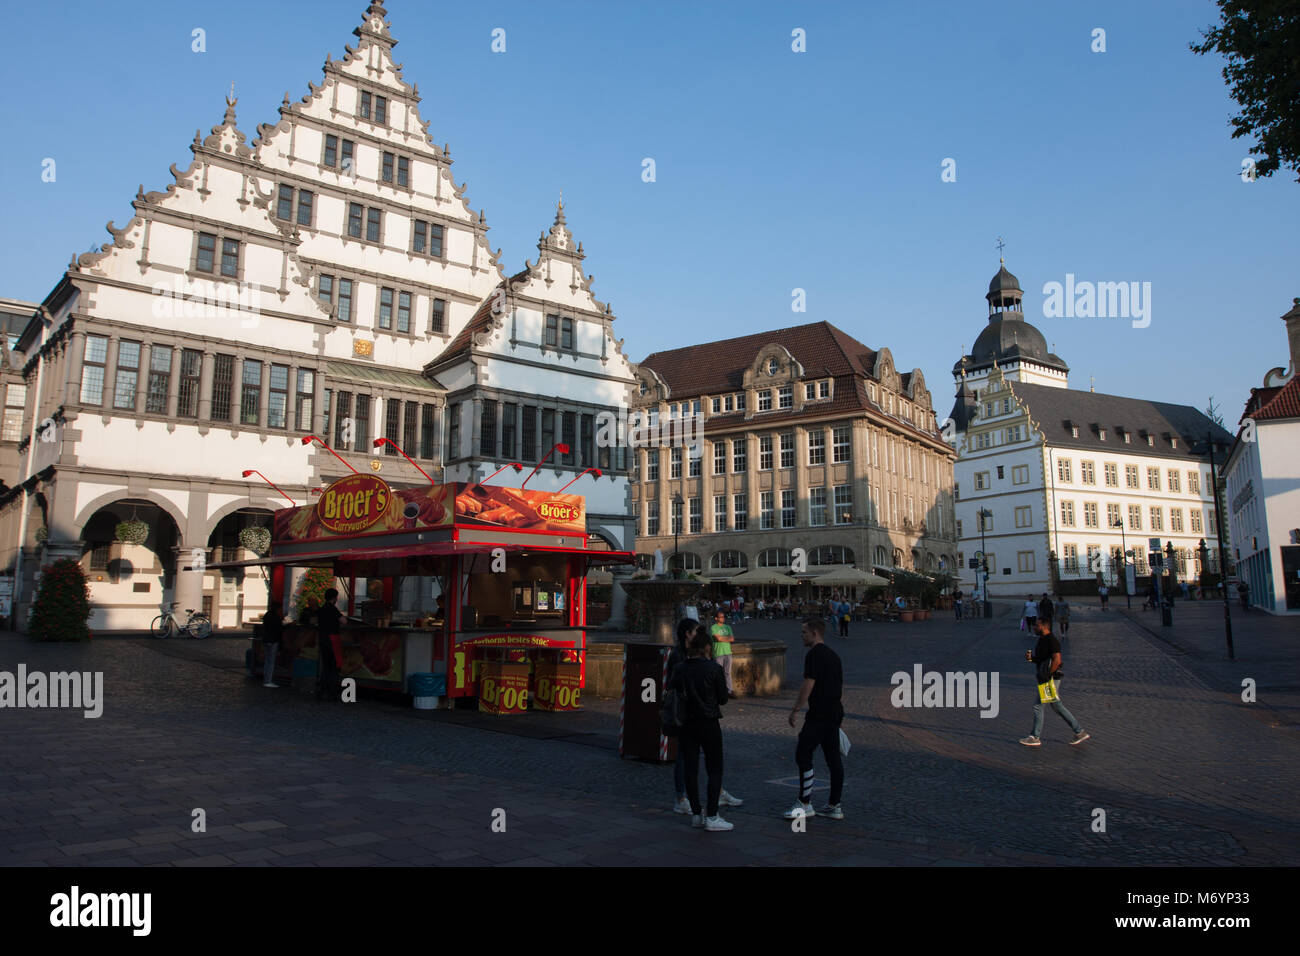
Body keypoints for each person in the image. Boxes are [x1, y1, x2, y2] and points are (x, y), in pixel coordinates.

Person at [670, 623, 735, 831]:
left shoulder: (680, 668)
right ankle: (713, 815)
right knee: (714, 768)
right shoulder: (714, 669)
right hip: (709, 722)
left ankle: (697, 813)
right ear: (707, 648)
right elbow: (723, 699)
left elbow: (672, 692)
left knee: (691, 767)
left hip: (687, 723)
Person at [784, 618, 845, 820]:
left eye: (804, 632)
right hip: (834, 711)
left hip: (819, 713)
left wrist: (796, 709)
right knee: (833, 758)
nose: (802, 636)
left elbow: (809, 684)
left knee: (803, 753)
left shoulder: (814, 655)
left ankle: (804, 802)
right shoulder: (834, 656)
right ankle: (835, 804)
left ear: (815, 633)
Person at [1020, 617, 1089, 747]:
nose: (1035, 627)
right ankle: (1079, 731)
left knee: (1038, 705)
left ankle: (1035, 736)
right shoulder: (1042, 639)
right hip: (1046, 677)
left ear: (1044, 627)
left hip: (1049, 678)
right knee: (1056, 705)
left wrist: (1048, 675)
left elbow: (1057, 660)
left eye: (1037, 625)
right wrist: (1031, 659)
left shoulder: (1052, 640)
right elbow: (1042, 659)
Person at [315, 587, 344, 701]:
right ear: (334, 598)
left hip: (322, 638)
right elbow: (343, 621)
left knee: (326, 665)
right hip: (333, 638)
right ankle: (332, 691)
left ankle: (322, 689)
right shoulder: (333, 609)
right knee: (334, 666)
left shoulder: (321, 609)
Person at [710, 610, 736, 698]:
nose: (723, 618)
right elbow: (718, 639)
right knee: (718, 673)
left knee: (727, 672)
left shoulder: (728, 627)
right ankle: (718, 692)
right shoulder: (713, 627)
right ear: (716, 618)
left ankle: (729, 691)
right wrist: (726, 638)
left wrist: (722, 638)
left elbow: (732, 639)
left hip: (728, 652)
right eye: (721, 617)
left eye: (723, 616)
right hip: (718, 652)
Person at [262, 599, 284, 688]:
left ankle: (266, 679)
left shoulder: (267, 615)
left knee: (267, 660)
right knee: (271, 661)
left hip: (266, 639)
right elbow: (280, 629)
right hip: (273, 640)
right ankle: (268, 680)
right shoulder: (276, 617)